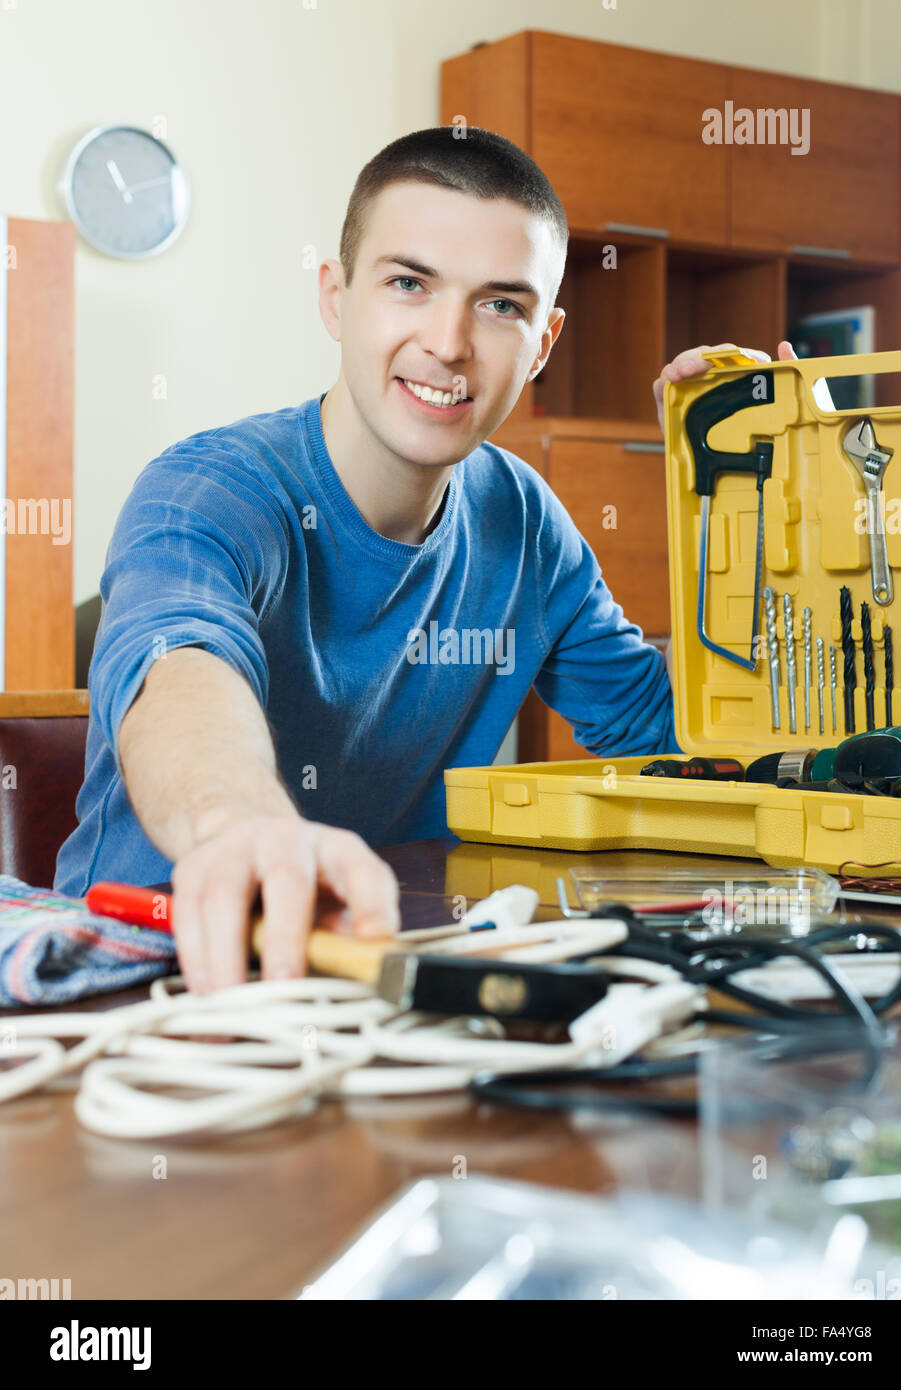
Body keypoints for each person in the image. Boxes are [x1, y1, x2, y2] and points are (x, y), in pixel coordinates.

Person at [54, 124, 795, 993]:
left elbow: (674, 741)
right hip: (151, 982)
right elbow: (180, 671)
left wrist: (768, 514)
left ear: (544, 341)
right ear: (336, 297)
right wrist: (239, 828)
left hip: (389, 974)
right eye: (409, 283)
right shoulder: (205, 492)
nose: (448, 343)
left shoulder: (524, 520)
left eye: (500, 305)